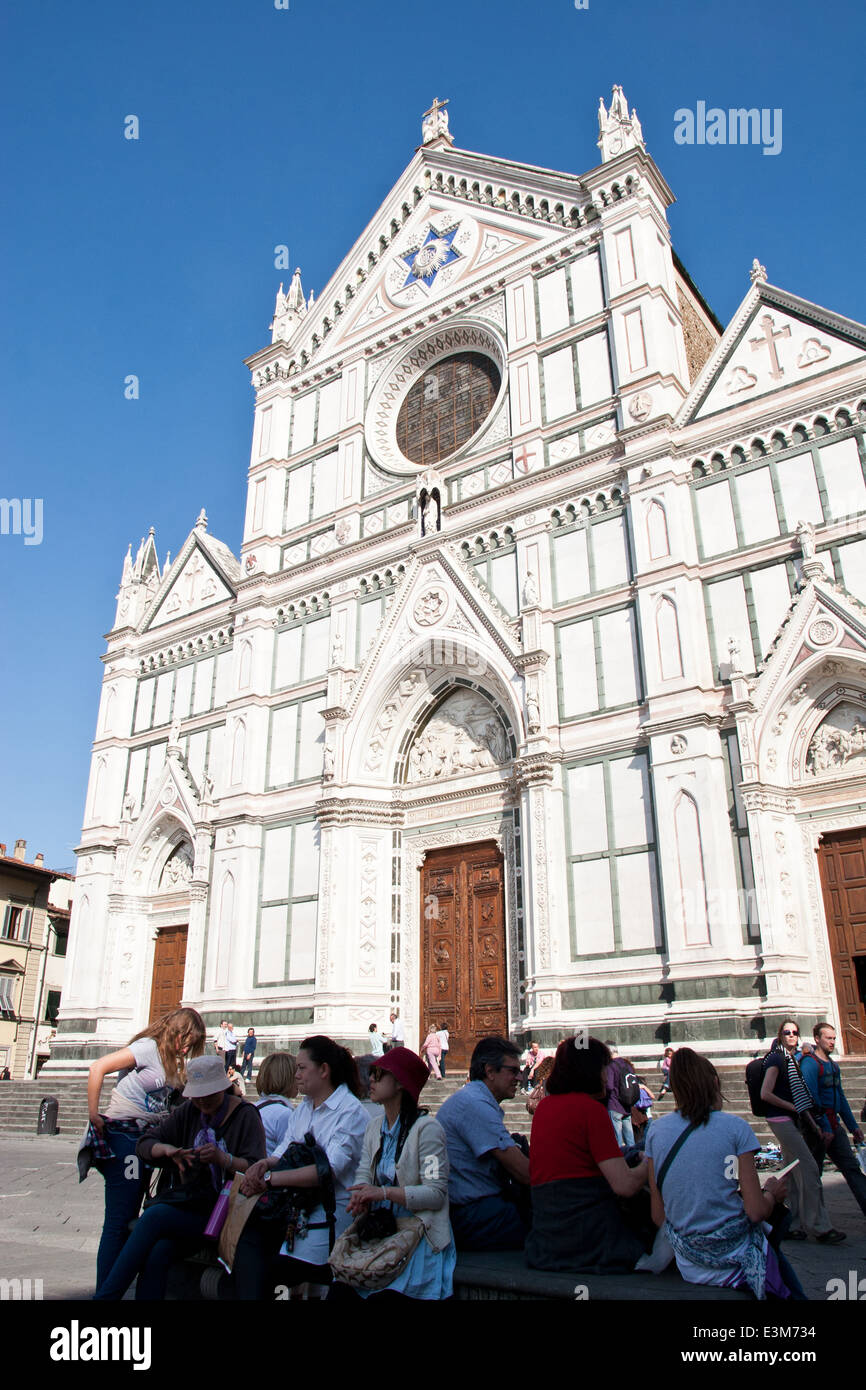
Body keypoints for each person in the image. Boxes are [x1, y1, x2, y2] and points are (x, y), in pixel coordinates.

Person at [92, 1055, 265, 1300]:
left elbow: (256, 1168)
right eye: (198, 1095)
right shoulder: (189, 1111)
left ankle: (106, 1297)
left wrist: (223, 1159)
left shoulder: (246, 1116)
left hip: (227, 1212)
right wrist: (168, 1151)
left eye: (210, 1094)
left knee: (154, 1217)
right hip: (193, 1205)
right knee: (158, 1251)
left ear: (223, 1090)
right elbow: (145, 1144)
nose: (203, 1101)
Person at [646, 1048, 806, 1300]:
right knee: (776, 1221)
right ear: (714, 1083)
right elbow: (755, 1211)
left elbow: (659, 1216)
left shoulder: (656, 1131)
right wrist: (771, 1194)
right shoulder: (735, 1128)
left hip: (690, 1261)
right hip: (731, 1261)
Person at [80, 1007, 206, 1291]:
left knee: (134, 1218)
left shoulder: (176, 1061)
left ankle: (113, 1287)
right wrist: (93, 1113)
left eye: (192, 1043)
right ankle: (105, 1291)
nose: (187, 1047)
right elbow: (97, 1067)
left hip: (146, 1140)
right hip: (124, 1136)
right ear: (175, 1031)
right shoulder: (148, 1048)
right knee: (120, 1218)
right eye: (186, 1039)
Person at [236, 1036, 369, 1298]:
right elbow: (282, 1151)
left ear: (324, 1070)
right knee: (248, 1245)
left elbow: (327, 1171)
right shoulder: (304, 1108)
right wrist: (262, 1165)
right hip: (297, 1210)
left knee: (275, 1275)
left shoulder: (349, 1111)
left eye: (301, 1068)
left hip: (330, 1214)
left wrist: (271, 1179)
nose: (295, 1075)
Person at [332, 1046, 455, 1301]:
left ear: (400, 1083)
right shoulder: (375, 1126)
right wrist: (360, 1194)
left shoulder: (427, 1130)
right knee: (339, 1291)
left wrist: (383, 1192)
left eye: (379, 1074)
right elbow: (365, 1170)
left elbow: (435, 1193)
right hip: (382, 1231)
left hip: (419, 1235)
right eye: (371, 1073)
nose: (371, 1080)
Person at [526, 1038, 648, 1272]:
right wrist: (651, 1161)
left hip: (547, 1243)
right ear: (590, 1070)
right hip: (589, 1242)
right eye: (604, 1069)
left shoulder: (544, 1108)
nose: (606, 1077)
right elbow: (625, 1186)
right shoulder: (591, 1111)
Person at [436, 1036, 530, 1251]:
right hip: (471, 1214)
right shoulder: (475, 1105)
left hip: (472, 1208)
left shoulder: (474, 1098)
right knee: (548, 1225)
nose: (520, 1077)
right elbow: (525, 1173)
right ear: (489, 1071)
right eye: (513, 1071)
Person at [759, 1020, 842, 1243]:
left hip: (789, 1120)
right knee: (810, 1169)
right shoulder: (776, 1058)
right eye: (787, 1032)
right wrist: (791, 1108)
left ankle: (792, 1224)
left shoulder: (791, 1059)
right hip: (781, 1119)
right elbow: (765, 1093)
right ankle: (819, 1226)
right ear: (780, 1035)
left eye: (795, 1032)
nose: (792, 1036)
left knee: (792, 1172)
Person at [801, 1021, 866, 1219]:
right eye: (828, 1038)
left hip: (834, 1127)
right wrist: (824, 1126)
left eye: (834, 1038)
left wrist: (853, 1126)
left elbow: (841, 1098)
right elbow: (812, 1098)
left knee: (851, 1168)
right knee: (813, 1175)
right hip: (817, 1129)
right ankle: (812, 1219)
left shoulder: (833, 1066)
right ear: (817, 1039)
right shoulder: (810, 1064)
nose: (832, 1042)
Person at [254, 1051, 297, 1154]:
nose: (300, 1077)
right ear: (288, 1078)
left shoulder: (253, 1107)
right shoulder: (284, 1114)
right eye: (296, 1073)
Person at [604, 1041, 637, 1149]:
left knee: (617, 1141)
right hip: (627, 1104)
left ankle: (621, 1162)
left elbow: (609, 1086)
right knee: (630, 1139)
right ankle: (634, 1159)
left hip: (614, 1104)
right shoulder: (627, 1064)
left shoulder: (611, 1066)